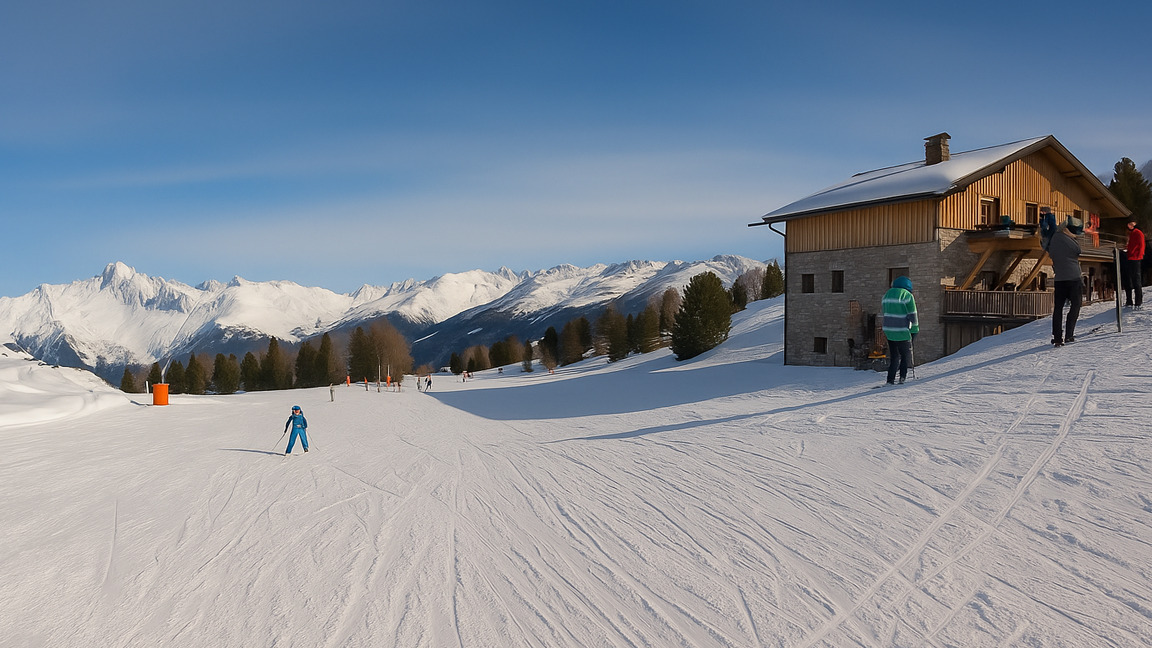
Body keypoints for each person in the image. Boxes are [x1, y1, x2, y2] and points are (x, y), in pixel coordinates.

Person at [1048, 216, 1083, 346]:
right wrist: (1073, 239)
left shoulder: (1054, 239)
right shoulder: (1068, 239)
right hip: (1073, 277)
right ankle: (1069, 334)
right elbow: (1078, 251)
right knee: (1076, 304)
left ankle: (1057, 337)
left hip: (1060, 278)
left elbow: (1052, 254)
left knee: (1058, 308)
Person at [881, 276, 919, 385]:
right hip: (902, 330)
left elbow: (885, 312)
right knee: (905, 355)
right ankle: (902, 378)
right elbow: (913, 315)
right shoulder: (907, 295)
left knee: (894, 356)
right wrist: (914, 330)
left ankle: (890, 379)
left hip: (889, 330)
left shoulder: (886, 295)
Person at [1124, 219, 1145, 308]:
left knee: (1136, 279)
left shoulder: (1138, 232)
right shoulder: (1132, 233)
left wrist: (1138, 256)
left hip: (1135, 258)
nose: (1130, 226)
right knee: (1129, 279)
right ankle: (1130, 301)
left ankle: (1138, 302)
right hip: (1131, 257)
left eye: (1131, 224)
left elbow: (1141, 245)